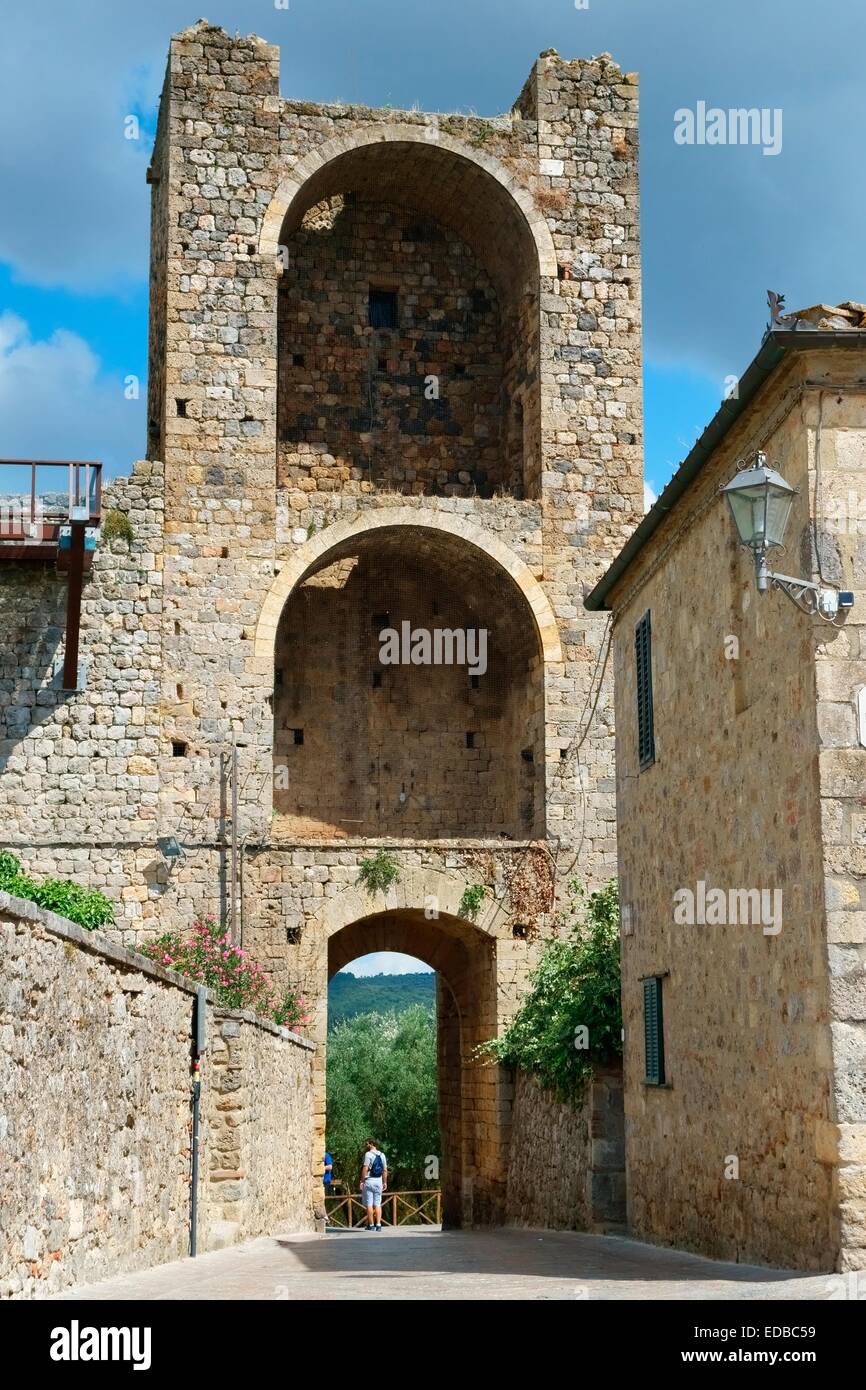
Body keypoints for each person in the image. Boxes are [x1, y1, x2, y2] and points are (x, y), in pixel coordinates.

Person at [360, 1138, 387, 1231]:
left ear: (371, 1144)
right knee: (378, 1204)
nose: (366, 1146)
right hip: (379, 1181)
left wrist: (362, 1181)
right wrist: (385, 1182)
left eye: (367, 1144)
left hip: (369, 1181)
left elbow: (365, 1168)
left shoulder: (368, 1154)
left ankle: (371, 1225)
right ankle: (379, 1225)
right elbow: (385, 1170)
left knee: (369, 1204)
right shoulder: (382, 1155)